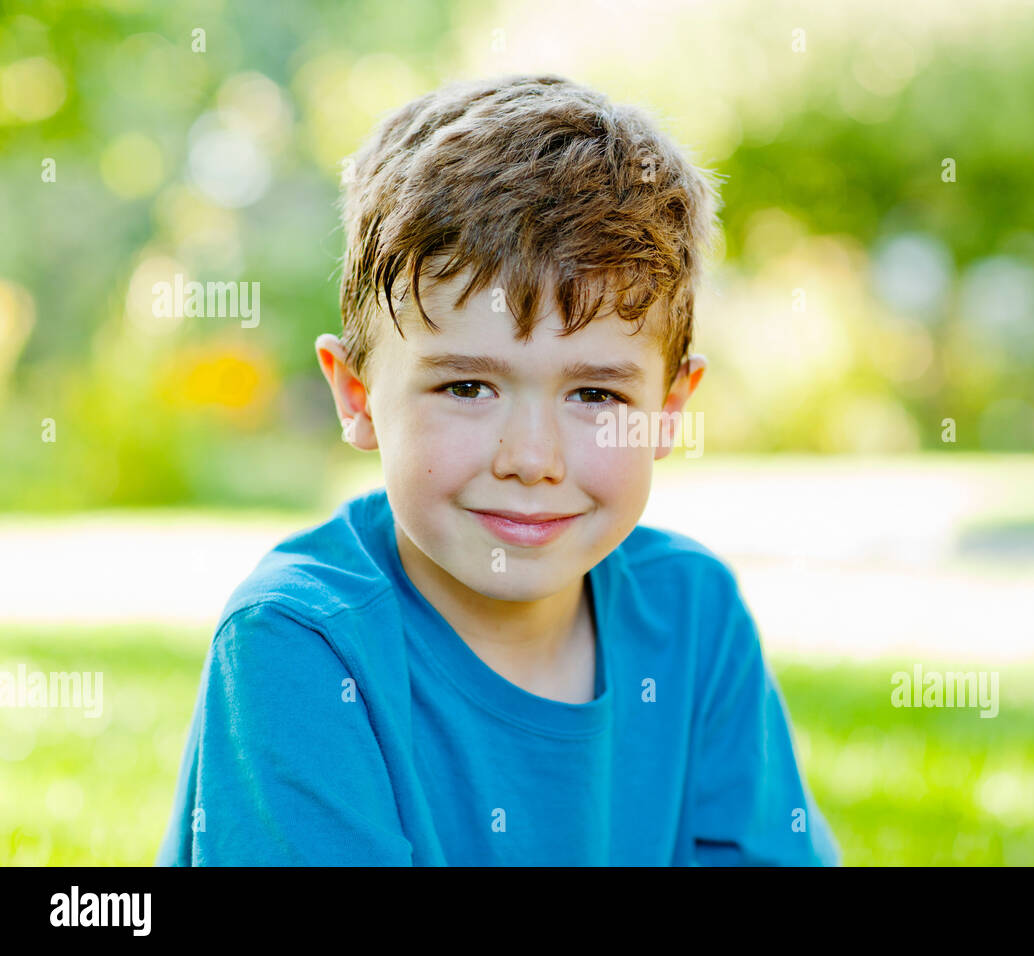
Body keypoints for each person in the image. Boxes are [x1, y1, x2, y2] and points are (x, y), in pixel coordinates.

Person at [156, 73, 840, 865]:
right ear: (358, 396)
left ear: (669, 408)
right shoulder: (299, 642)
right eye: (467, 387)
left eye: (594, 393)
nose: (531, 459)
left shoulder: (694, 614)